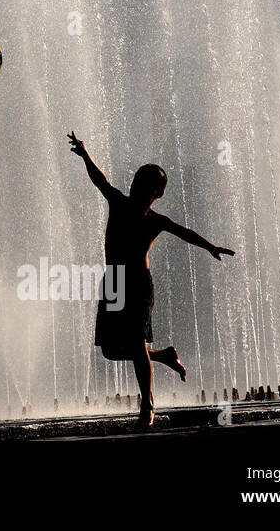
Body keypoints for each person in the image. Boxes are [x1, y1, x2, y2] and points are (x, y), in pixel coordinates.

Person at [67, 131, 234, 426]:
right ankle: (166, 356)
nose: (137, 186)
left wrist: (210, 247)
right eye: (137, 181)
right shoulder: (118, 203)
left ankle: (148, 403)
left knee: (134, 340)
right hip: (114, 282)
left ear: (157, 192)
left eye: (146, 184)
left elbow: (185, 233)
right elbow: (100, 180)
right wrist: (85, 155)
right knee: (111, 350)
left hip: (139, 286)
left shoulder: (155, 221)